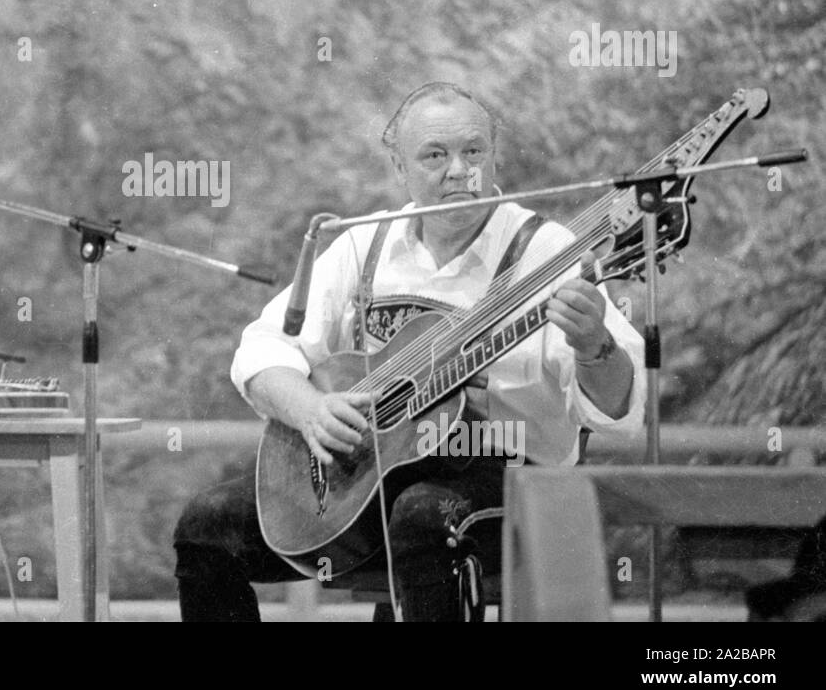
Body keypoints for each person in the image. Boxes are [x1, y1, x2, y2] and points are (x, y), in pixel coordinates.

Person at [173, 82, 646, 621]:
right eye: (435, 155)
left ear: (495, 156)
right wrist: (310, 410)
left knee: (421, 516)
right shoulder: (366, 244)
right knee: (206, 525)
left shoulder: (548, 251)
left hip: (509, 479)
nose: (459, 171)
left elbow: (617, 411)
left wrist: (593, 345)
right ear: (400, 167)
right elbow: (262, 347)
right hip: (368, 480)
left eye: (474, 151)